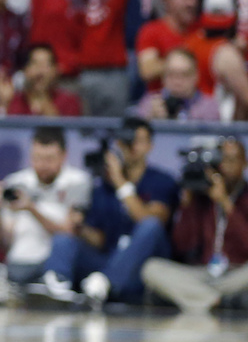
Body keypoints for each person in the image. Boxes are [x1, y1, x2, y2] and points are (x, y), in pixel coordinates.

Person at [44, 118, 176, 305]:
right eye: (126, 141)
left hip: (144, 266)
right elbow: (100, 240)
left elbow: (150, 220)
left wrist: (120, 182)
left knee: (150, 226)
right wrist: (81, 227)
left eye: (138, 141)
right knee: (63, 239)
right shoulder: (103, 187)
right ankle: (56, 287)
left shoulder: (162, 180)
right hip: (108, 261)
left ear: (150, 145)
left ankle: (106, 282)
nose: (132, 147)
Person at [142, 138, 248, 312]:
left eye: (231, 160)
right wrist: (188, 204)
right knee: (151, 268)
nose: (225, 166)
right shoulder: (202, 196)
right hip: (204, 273)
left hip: (237, 272)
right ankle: (216, 301)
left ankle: (197, 298)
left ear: (244, 163)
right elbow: (182, 245)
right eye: (221, 160)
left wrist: (225, 203)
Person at [0, 126, 92, 288]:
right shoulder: (15, 182)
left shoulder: (78, 181)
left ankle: (56, 284)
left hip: (58, 261)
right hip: (21, 261)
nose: (42, 165)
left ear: (64, 156)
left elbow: (69, 231)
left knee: (63, 242)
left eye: (49, 159)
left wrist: (31, 209)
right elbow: (2, 241)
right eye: (37, 158)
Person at [135, 0, 201, 92]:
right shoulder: (151, 31)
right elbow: (147, 69)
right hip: (162, 102)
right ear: (167, 0)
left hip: (198, 103)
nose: (192, 2)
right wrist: (182, 65)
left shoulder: (202, 30)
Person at [0, 44, 83, 117]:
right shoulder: (13, 100)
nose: (40, 71)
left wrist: (54, 120)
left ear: (56, 70)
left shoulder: (69, 102)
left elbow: (72, 136)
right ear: (25, 70)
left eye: (46, 65)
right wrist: (3, 104)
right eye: (35, 64)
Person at [134, 49, 221, 121]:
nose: (177, 81)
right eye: (171, 74)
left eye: (184, 74)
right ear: (163, 77)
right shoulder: (149, 104)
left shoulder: (209, 107)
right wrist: (151, 120)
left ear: (196, 76)